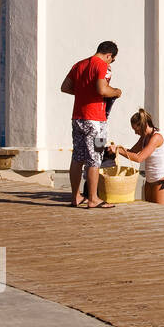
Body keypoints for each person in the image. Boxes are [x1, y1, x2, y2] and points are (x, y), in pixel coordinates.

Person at [60, 41, 122, 209]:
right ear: (109, 55)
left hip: (78, 118)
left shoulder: (79, 64)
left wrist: (83, 92)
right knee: (96, 158)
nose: (111, 63)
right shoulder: (101, 65)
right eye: (112, 60)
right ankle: (93, 198)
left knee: (77, 157)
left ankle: (75, 196)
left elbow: (65, 87)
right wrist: (116, 91)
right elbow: (103, 90)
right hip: (97, 120)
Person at [112, 108, 164, 205]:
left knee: (161, 214)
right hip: (149, 181)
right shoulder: (144, 138)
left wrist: (118, 150)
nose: (136, 133)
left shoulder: (156, 137)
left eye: (136, 130)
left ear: (144, 125)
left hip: (161, 181)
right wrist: (116, 148)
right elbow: (131, 152)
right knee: (150, 214)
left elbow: (139, 158)